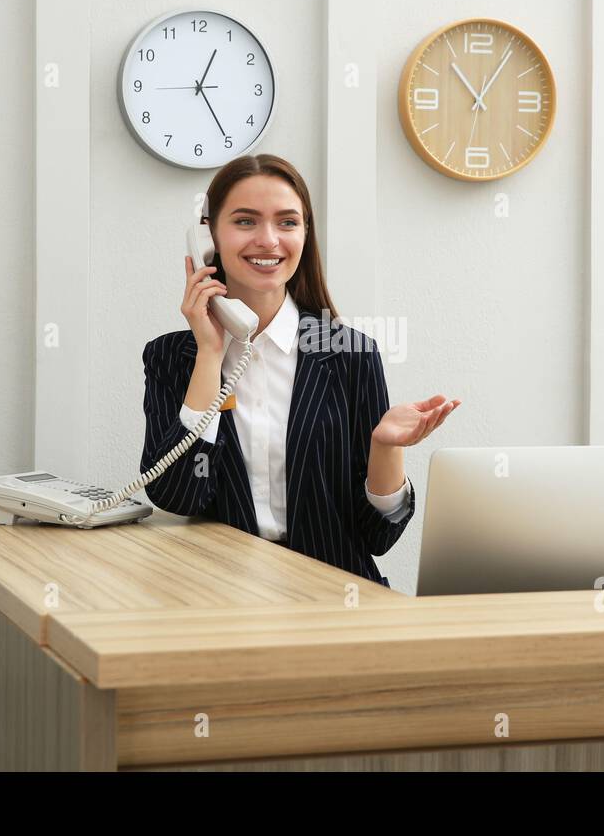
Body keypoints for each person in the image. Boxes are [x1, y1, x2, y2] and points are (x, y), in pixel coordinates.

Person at [140, 154, 460, 588]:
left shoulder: (349, 353)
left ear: (305, 235)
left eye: (288, 222)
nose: (269, 240)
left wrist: (385, 449)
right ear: (207, 236)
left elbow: (378, 535)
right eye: (246, 221)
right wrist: (210, 356)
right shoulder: (170, 358)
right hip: (221, 599)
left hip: (335, 598)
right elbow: (178, 495)